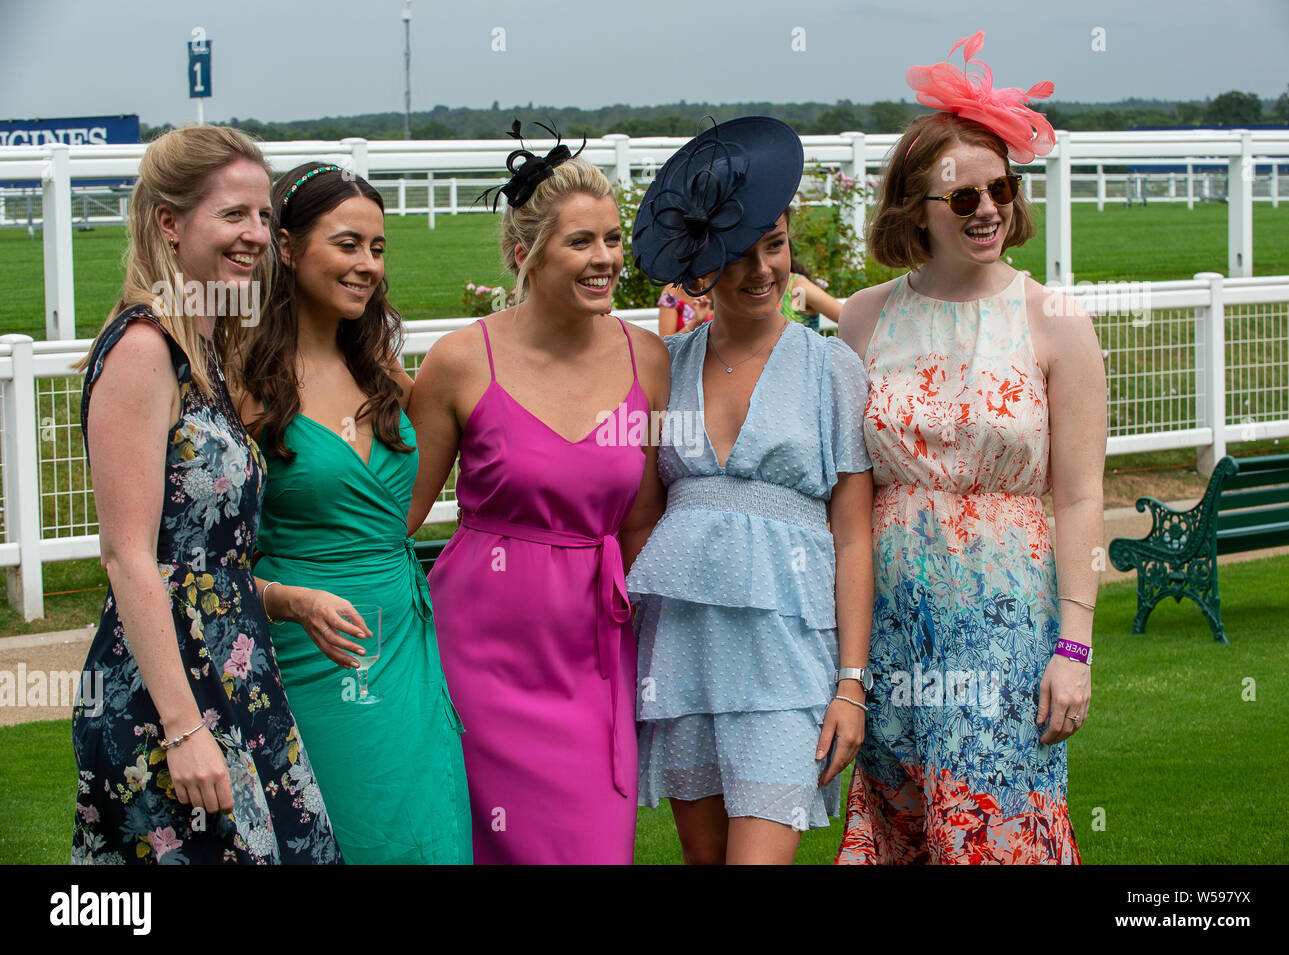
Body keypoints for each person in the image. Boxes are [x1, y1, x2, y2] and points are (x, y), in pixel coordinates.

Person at [834, 30, 1103, 865]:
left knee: (997, 828)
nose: (987, 209)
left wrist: (1074, 646)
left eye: (1000, 188)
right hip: (894, 633)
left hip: (1010, 632)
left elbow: (1081, 497)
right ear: (917, 208)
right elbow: (845, 491)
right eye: (961, 197)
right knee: (908, 833)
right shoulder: (864, 318)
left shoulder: (1055, 321)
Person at [70, 126, 342, 864]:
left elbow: (198, 557)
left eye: (263, 215)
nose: (256, 234)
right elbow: (130, 556)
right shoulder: (143, 350)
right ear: (169, 221)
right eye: (233, 214)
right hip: (171, 700)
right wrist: (186, 730)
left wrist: (288, 599)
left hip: (237, 677)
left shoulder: (205, 351)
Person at [406, 122, 670, 864]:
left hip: (593, 659)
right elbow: (402, 514)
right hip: (477, 658)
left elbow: (643, 521)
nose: (607, 259)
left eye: (614, 239)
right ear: (526, 254)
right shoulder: (461, 361)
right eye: (582, 242)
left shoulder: (647, 359)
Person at [627, 116, 874, 865]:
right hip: (685, 658)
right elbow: (640, 521)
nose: (763, 268)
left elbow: (855, 535)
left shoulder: (831, 370)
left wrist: (852, 684)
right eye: (740, 252)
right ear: (703, 266)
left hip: (790, 663)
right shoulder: (662, 368)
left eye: (775, 243)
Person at [236, 164, 472, 864]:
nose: (367, 264)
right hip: (305, 654)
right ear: (286, 247)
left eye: (377, 248)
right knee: (337, 834)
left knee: (428, 830)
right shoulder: (244, 386)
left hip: (404, 642)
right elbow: (199, 555)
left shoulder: (384, 371)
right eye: (347, 244)